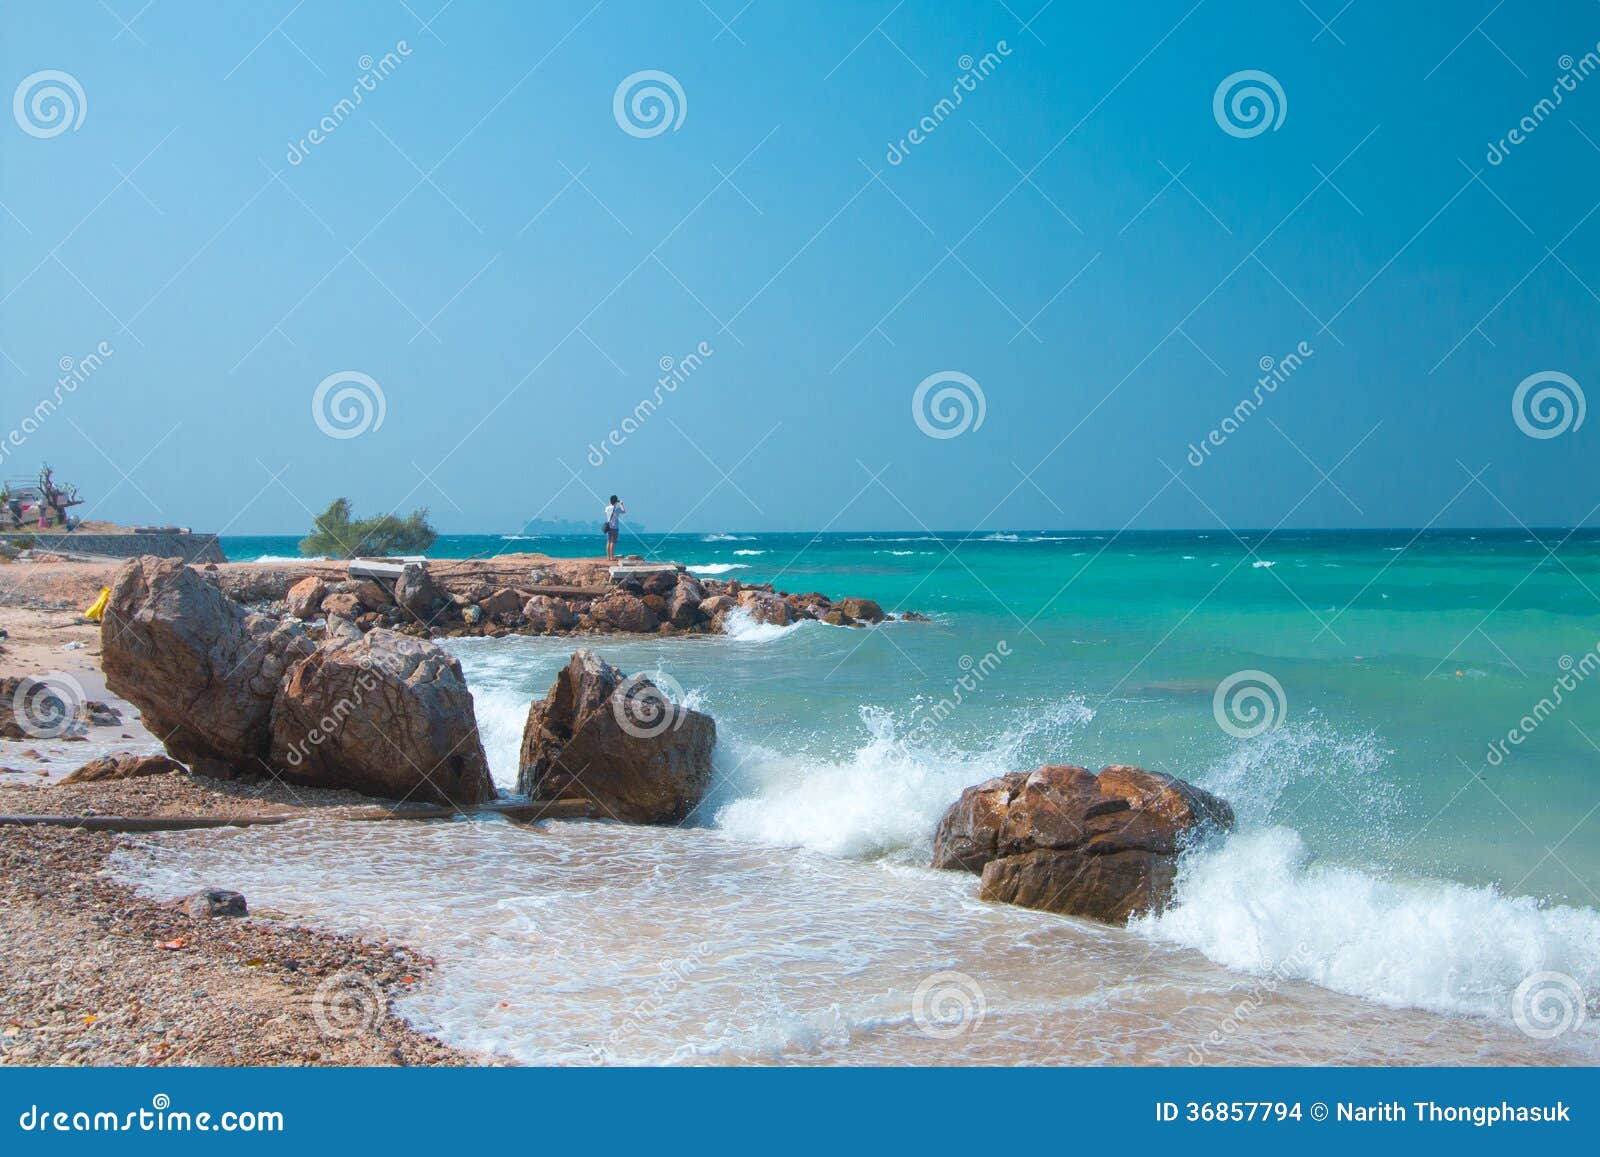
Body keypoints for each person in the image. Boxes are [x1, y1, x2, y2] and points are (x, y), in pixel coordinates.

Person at [603, 495, 625, 560]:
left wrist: (613, 502)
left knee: (608, 542)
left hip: (609, 527)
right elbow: (624, 511)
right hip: (615, 527)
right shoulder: (616, 509)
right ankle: (612, 557)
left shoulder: (607, 508)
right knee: (613, 542)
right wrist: (621, 504)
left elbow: (607, 510)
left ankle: (608, 557)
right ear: (616, 501)